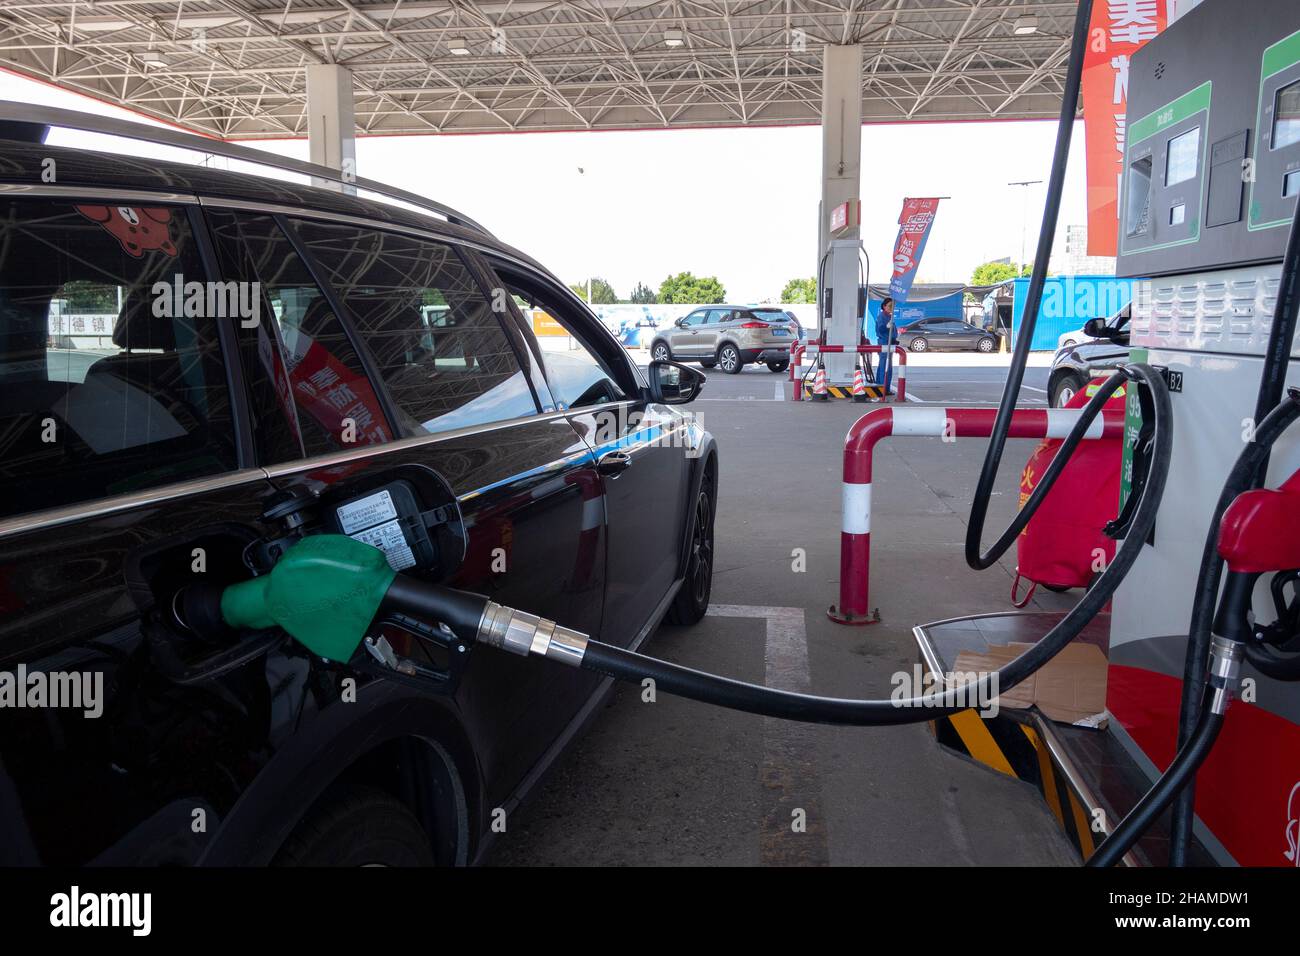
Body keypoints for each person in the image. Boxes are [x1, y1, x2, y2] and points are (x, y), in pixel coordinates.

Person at [874, 297, 899, 394]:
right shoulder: (882, 316)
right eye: (889, 306)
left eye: (893, 306)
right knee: (885, 367)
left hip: (889, 343)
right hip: (884, 343)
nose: (891, 307)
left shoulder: (889, 316)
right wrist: (886, 327)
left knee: (884, 366)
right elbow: (880, 330)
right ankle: (883, 389)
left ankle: (882, 387)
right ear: (884, 306)